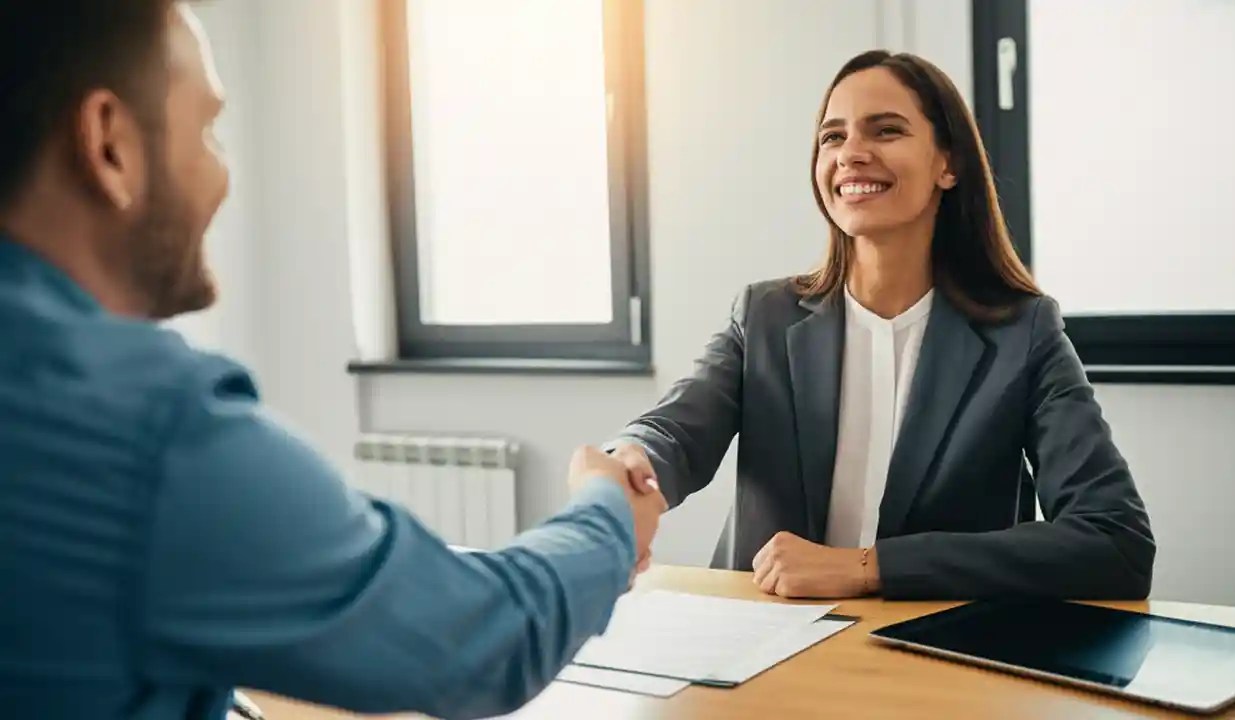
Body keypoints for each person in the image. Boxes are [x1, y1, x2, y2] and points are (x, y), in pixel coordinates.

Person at [0, 3, 665, 719]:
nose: (224, 178)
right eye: (208, 131)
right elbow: (483, 636)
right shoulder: (145, 426)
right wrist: (605, 510)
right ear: (109, 145)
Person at [606, 50, 1155, 601]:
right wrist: (627, 467)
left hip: (930, 660)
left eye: (886, 130)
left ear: (948, 163)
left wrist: (868, 568)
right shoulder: (764, 315)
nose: (852, 155)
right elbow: (674, 433)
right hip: (759, 648)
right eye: (832, 137)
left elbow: (1115, 540)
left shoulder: (1023, 332)